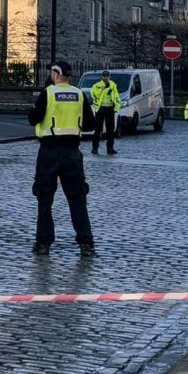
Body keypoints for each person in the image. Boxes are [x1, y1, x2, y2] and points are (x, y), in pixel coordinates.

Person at [27, 60, 96, 257]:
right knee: (77, 199)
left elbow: (33, 119)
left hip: (49, 151)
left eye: (51, 73)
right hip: (73, 153)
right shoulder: (79, 94)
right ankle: (86, 244)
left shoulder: (48, 93)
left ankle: (43, 244)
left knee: (44, 199)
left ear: (57, 75)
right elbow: (91, 124)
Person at [89, 70, 120, 156]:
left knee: (110, 129)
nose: (106, 78)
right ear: (101, 77)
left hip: (110, 108)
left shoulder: (113, 85)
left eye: (107, 76)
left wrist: (116, 107)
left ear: (109, 77)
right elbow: (94, 95)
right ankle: (95, 148)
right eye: (104, 76)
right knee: (98, 129)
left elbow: (116, 97)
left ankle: (110, 148)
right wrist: (103, 89)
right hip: (100, 108)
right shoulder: (97, 86)